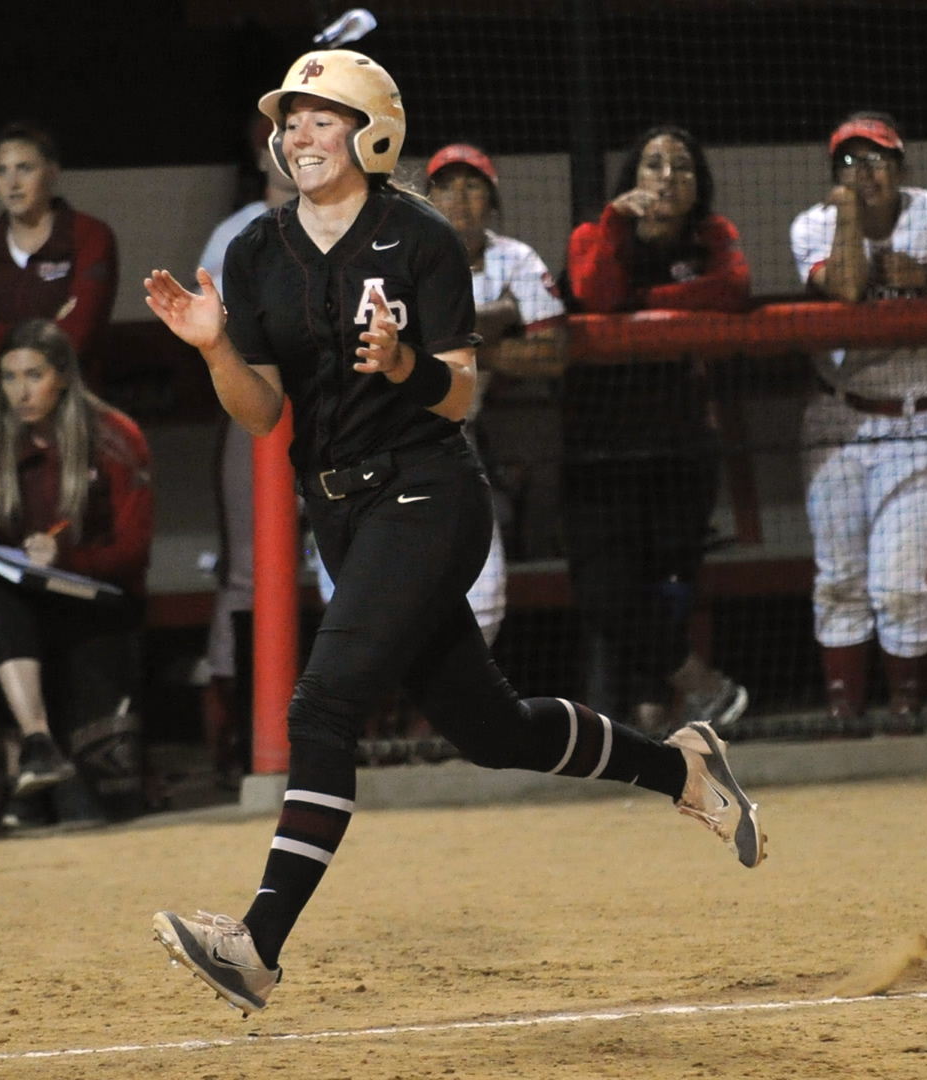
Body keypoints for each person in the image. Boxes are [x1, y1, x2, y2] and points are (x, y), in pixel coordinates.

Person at [143, 50, 765, 1017]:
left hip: (430, 493)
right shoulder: (254, 251)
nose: (299, 135)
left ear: (372, 133)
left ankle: (257, 947)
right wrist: (217, 345)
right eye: (291, 120)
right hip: (341, 513)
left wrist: (402, 366)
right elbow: (262, 416)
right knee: (491, 729)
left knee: (321, 710)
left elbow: (464, 390)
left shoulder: (421, 237)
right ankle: (680, 765)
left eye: (321, 117)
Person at [790, 111, 927, 734]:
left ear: (901, 167)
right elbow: (846, 291)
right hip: (837, 420)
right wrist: (850, 220)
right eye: (848, 161)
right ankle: (844, 710)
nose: (863, 171)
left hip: (915, 418)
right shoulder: (814, 225)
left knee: (900, 582)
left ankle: (906, 709)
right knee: (840, 579)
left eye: (876, 158)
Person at [563, 124, 752, 736]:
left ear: (699, 186)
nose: (668, 177)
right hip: (600, 446)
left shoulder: (713, 236)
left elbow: (732, 291)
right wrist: (619, 227)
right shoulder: (596, 234)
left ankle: (648, 721)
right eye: (653, 166)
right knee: (603, 590)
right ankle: (702, 684)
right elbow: (597, 295)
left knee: (671, 583)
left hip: (679, 442)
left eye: (682, 168)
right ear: (632, 179)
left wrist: (652, 303)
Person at [0, 318, 152, 829]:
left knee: (100, 805)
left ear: (63, 376)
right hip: (30, 606)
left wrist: (64, 559)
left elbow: (133, 552)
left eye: (34, 375)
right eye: (9, 378)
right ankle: (38, 739)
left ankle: (42, 774)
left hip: (99, 599)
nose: (20, 392)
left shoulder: (113, 437)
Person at [425, 142, 570, 646]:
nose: (459, 198)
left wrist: (465, 347)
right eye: (446, 186)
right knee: (369, 604)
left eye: (473, 185)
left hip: (452, 440)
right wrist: (502, 317)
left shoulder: (515, 258)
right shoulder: (403, 252)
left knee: (485, 598)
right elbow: (412, 346)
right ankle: (375, 722)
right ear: (427, 198)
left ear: (492, 200)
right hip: (376, 440)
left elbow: (552, 354)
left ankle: (444, 718)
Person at [196, 111, 297, 786]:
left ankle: (369, 730)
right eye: (274, 136)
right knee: (246, 572)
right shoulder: (232, 234)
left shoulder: (344, 220)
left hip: (340, 414)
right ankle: (240, 735)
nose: (287, 147)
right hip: (257, 415)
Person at [0, 122, 118, 413]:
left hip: (66, 416)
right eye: (1, 170)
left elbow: (76, 338)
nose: (12, 182)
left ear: (52, 172)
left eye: (25, 168)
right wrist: (43, 333)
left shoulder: (89, 236)